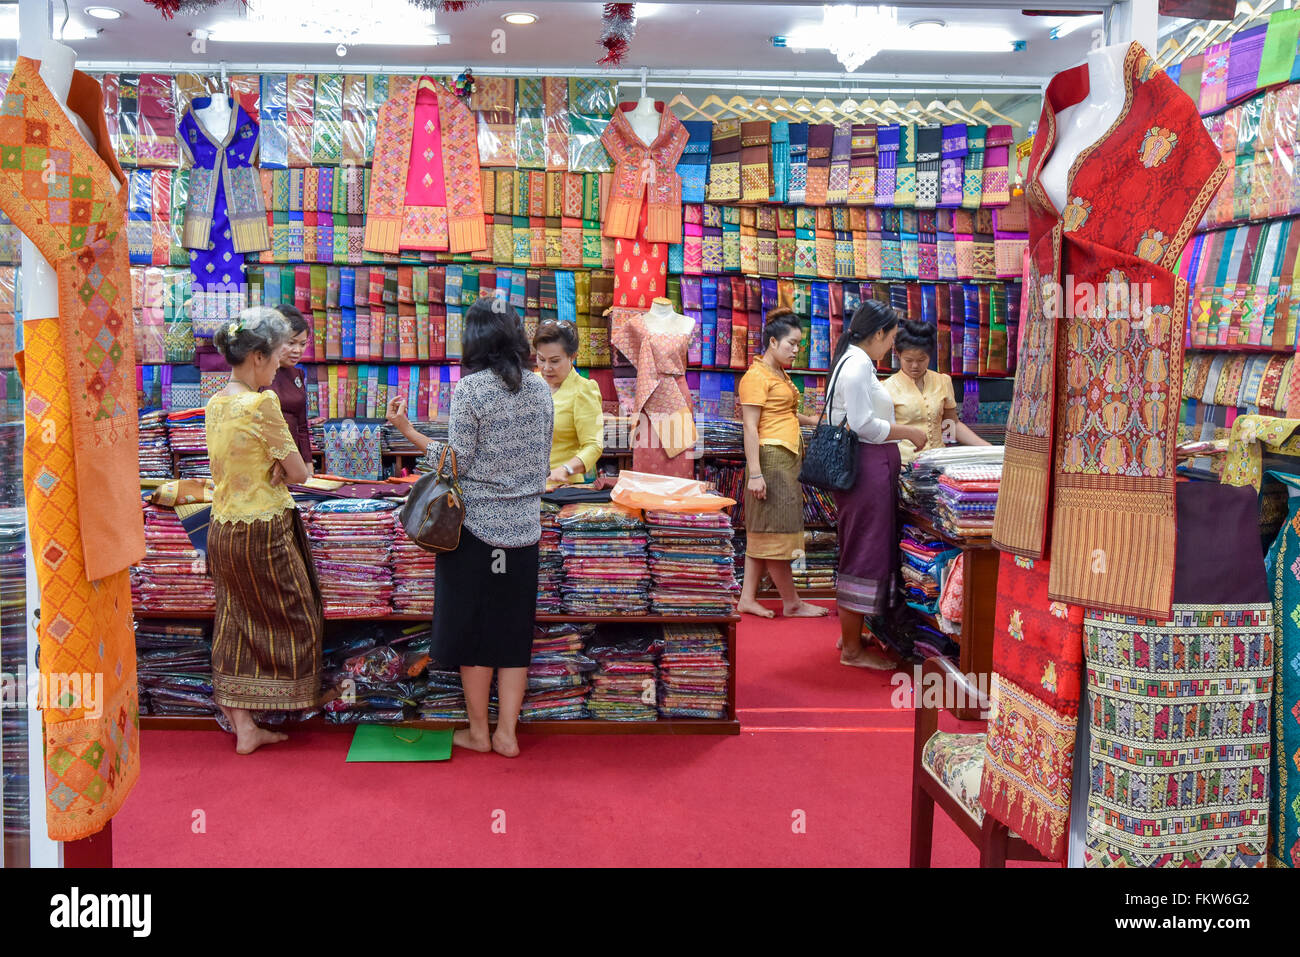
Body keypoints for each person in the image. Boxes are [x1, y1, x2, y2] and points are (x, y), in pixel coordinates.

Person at [386, 298, 553, 757]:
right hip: (524, 529)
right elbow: (541, 462)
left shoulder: (472, 390)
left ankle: (481, 733)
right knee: (512, 632)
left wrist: (408, 431)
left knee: (477, 632)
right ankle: (508, 734)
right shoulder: (540, 389)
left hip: (476, 531)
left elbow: (455, 465)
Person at [205, 307, 322, 753]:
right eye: (275, 357)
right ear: (256, 357)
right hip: (263, 529)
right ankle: (298, 697)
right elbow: (300, 474)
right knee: (299, 613)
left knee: (234, 620)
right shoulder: (262, 402)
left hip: (223, 527)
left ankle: (245, 727)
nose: (279, 365)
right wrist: (283, 464)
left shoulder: (216, 402)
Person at [827, 301, 928, 669]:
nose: (893, 347)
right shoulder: (856, 367)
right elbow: (863, 425)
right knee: (864, 553)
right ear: (880, 333)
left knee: (866, 548)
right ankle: (852, 651)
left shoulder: (855, 362)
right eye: (892, 337)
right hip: (867, 467)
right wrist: (908, 432)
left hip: (872, 468)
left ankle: (851, 636)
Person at [736, 309, 828, 620]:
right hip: (770, 459)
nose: (796, 349)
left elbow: (784, 412)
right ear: (773, 341)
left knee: (762, 531)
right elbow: (751, 427)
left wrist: (811, 420)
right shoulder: (756, 377)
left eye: (799, 344)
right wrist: (756, 474)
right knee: (775, 533)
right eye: (791, 343)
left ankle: (747, 598)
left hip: (784, 457)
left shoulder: (778, 374)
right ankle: (792, 602)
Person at [884, 319, 990, 465]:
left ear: (930, 355)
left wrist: (986, 448)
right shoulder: (886, 388)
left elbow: (952, 424)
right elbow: (882, 432)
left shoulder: (942, 381)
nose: (915, 366)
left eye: (922, 359)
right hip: (903, 465)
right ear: (898, 354)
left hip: (938, 462)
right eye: (908, 360)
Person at [533, 319, 605, 485]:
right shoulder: (530, 385)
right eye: (541, 359)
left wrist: (566, 469)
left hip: (561, 487)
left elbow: (593, 445)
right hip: (524, 487)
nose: (546, 367)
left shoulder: (583, 390)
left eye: (555, 361)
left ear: (573, 357)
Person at [266, 303, 314, 474]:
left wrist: (308, 465)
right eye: (291, 343)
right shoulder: (261, 374)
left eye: (302, 344)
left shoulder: (297, 374)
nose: (297, 350)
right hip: (267, 459)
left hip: (295, 459)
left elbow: (302, 425)